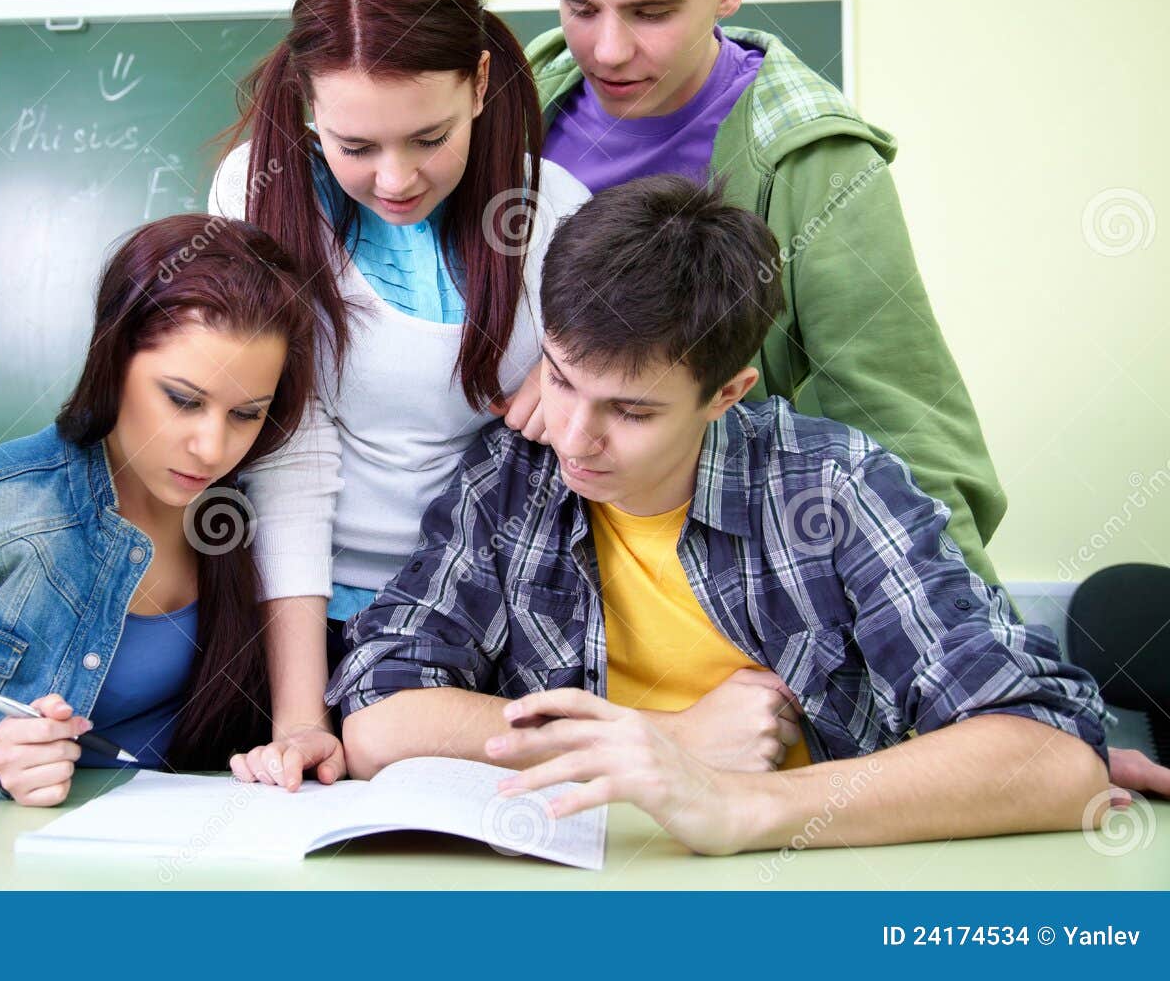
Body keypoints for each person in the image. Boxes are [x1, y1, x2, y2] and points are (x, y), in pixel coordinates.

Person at [330, 175, 1112, 853]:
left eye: (631, 411)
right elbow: (379, 718)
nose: (572, 437)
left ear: (726, 394)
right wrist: (670, 741)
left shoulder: (833, 488)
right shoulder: (512, 479)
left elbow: (1052, 755)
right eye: (561, 380)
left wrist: (741, 804)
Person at [521, 0, 1006, 588]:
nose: (608, 48)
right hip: (536, 565)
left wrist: (971, 664)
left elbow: (903, 429)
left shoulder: (816, 162)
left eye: (650, 12)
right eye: (580, 7)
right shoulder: (510, 110)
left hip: (727, 581)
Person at [210, 0, 589, 790]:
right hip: (308, 621)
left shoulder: (559, 211)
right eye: (355, 146)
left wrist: (572, 371)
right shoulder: (255, 192)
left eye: (428, 137)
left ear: (482, 84)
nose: (394, 178)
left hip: (499, 627)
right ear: (309, 106)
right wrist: (303, 718)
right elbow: (292, 453)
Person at [0, 214, 317, 805]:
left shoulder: (262, 518)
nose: (212, 448)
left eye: (246, 414)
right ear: (113, 361)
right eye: (183, 400)